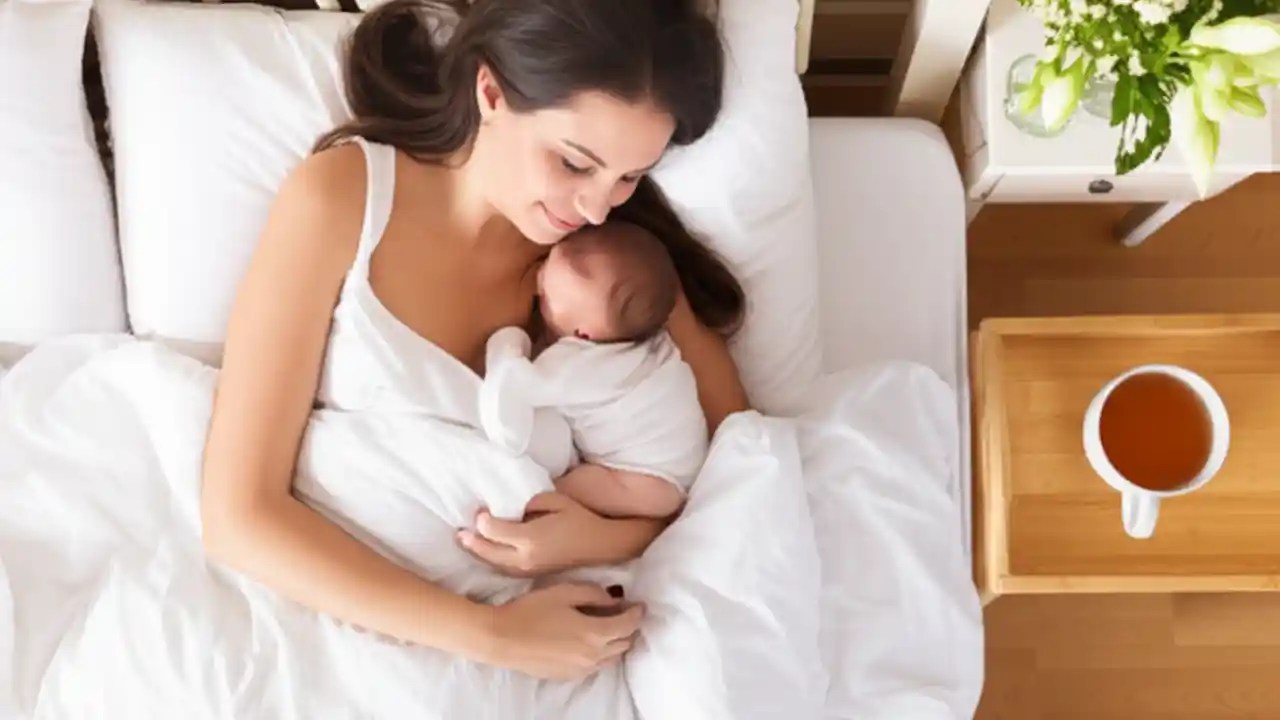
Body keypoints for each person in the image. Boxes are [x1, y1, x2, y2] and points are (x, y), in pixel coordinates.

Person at [200, 0, 750, 684]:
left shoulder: (608, 270)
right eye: (575, 162)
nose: (595, 206)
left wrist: (607, 536)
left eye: (630, 176)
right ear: (491, 92)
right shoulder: (341, 199)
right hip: (327, 622)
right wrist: (492, 636)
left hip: (552, 637)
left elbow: (737, 461)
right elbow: (237, 514)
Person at [479, 221, 706, 521]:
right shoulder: (652, 342)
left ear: (583, 335)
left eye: (546, 298)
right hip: (682, 454)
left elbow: (522, 384)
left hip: (651, 483)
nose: (537, 280)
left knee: (570, 485)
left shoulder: (579, 364)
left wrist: (507, 345)